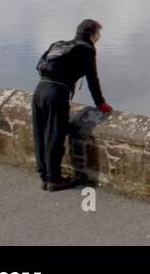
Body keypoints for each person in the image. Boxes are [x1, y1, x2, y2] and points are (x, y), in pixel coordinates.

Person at [32, 19, 112, 191]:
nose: (99, 37)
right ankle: (55, 180)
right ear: (91, 35)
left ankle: (44, 176)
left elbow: (39, 65)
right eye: (98, 34)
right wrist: (101, 103)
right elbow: (92, 79)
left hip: (39, 90)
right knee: (55, 135)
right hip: (56, 93)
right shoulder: (87, 49)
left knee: (40, 134)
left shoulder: (58, 44)